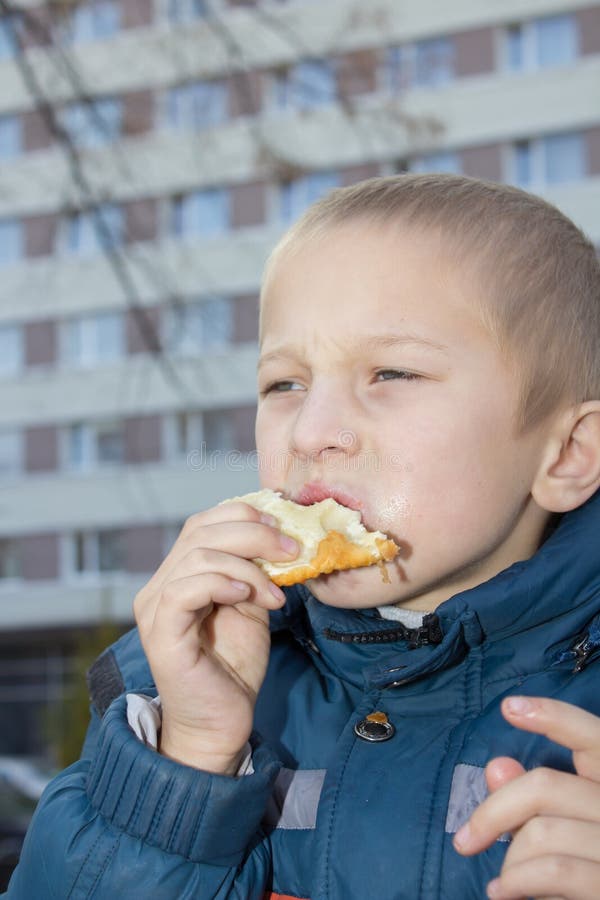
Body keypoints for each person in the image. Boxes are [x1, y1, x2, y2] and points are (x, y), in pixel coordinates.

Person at [6, 173, 600, 900]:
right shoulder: (187, 694)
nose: (311, 433)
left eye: (392, 372)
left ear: (568, 453)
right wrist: (188, 764)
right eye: (284, 384)